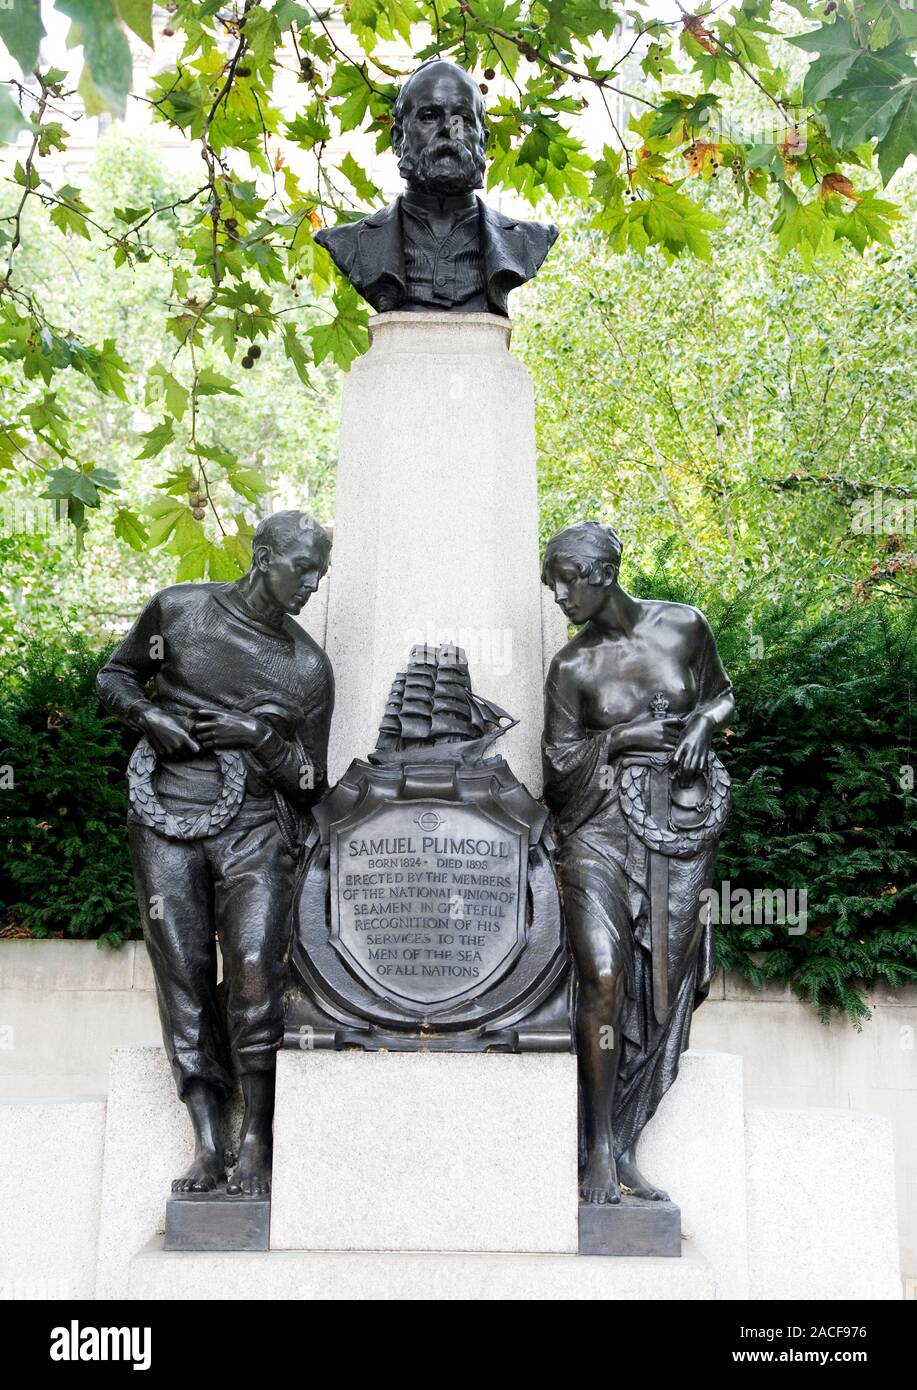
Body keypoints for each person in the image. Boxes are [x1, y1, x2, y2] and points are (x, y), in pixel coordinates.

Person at [97, 511, 334, 1196]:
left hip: (256, 825)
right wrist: (150, 717)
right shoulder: (181, 610)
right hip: (166, 816)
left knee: (257, 966)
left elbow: (311, 782)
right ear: (263, 558)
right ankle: (206, 1142)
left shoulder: (307, 666)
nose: (312, 584)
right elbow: (114, 678)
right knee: (183, 968)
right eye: (302, 567)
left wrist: (257, 738)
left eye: (321, 572)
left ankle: (255, 1140)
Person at [541, 521, 733, 1205]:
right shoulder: (570, 667)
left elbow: (721, 694)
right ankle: (593, 1148)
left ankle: (624, 1142)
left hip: (678, 828)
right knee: (600, 973)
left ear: (604, 572)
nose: (558, 593)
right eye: (551, 580)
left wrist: (706, 724)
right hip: (596, 831)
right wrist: (625, 737)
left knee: (661, 989)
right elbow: (558, 772)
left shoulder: (683, 625)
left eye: (568, 578)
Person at [315, 59, 557, 315]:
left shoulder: (526, 241)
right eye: (429, 117)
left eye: (462, 119)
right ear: (398, 138)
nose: (448, 130)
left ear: (483, 141)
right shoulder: (351, 243)